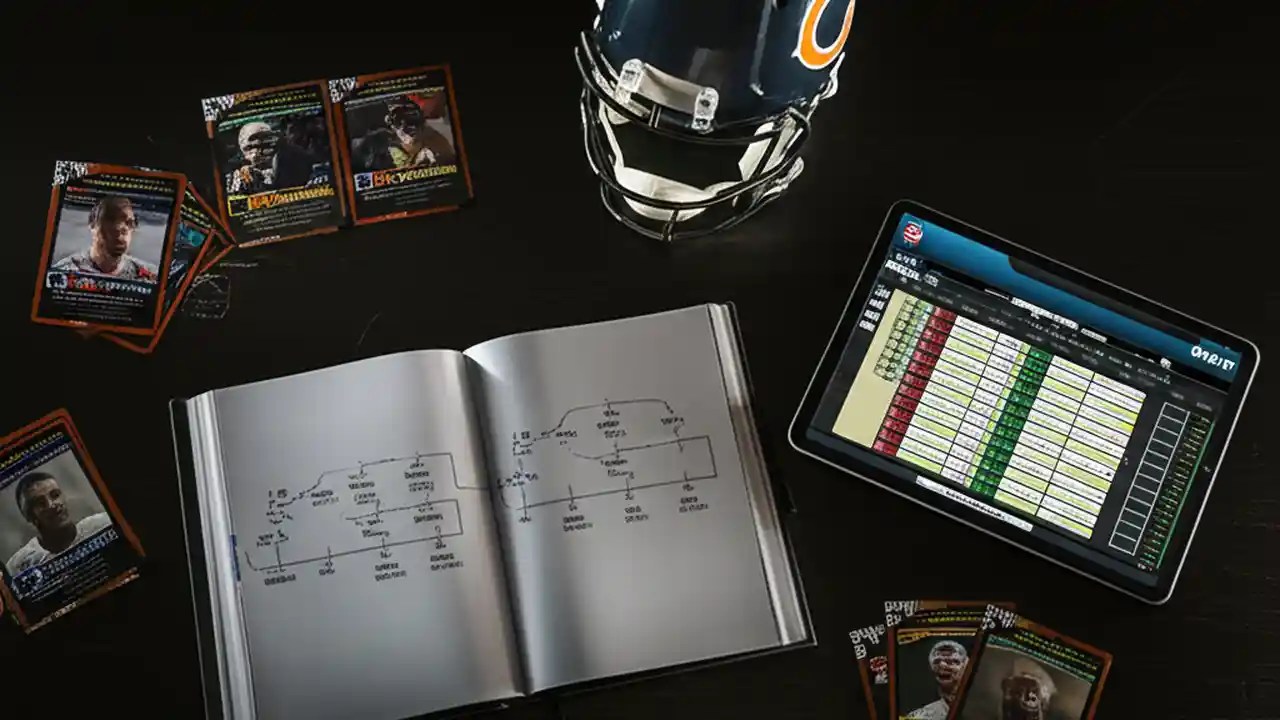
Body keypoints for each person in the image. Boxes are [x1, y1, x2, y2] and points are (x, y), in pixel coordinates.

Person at [6, 472, 111, 575]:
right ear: (29, 516)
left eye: (55, 495)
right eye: (40, 503)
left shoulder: (102, 525)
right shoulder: (18, 566)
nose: (52, 505)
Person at [51, 195, 158, 281]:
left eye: (129, 223)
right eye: (111, 219)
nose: (121, 228)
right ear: (92, 225)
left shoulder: (149, 276)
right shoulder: (62, 274)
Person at [349, 94, 455, 172]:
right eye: (399, 120)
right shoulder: (375, 146)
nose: (407, 127)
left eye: (412, 118)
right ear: (391, 125)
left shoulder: (438, 144)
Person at [225, 120, 328, 194]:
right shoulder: (235, 179)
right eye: (249, 148)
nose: (257, 152)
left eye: (265, 144)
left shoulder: (300, 165)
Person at [907, 640, 969, 720]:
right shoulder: (920, 716)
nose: (942, 665)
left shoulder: (984, 707)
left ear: (966, 666)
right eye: (937, 661)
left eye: (952, 661)